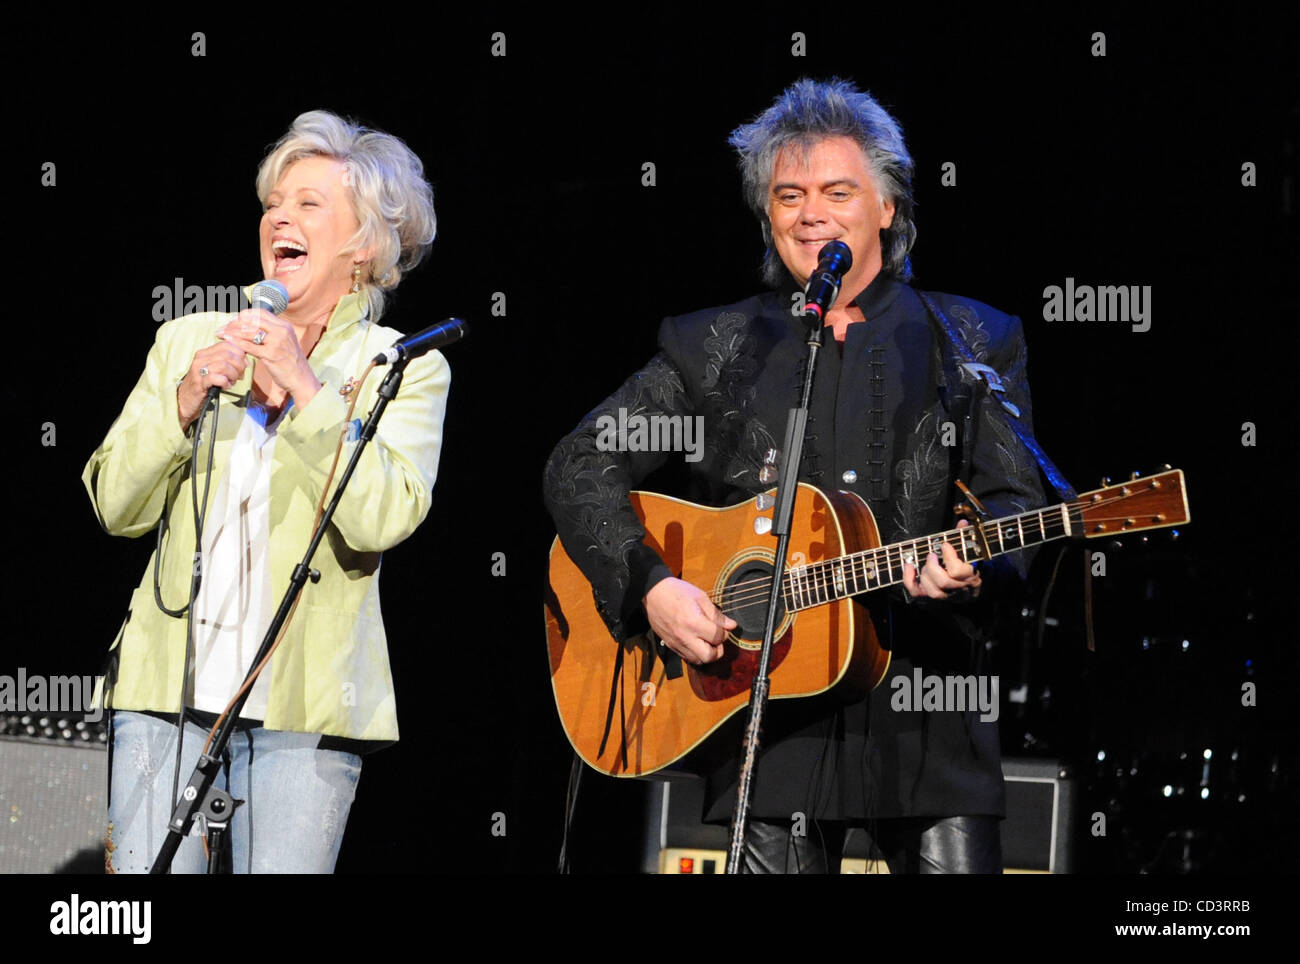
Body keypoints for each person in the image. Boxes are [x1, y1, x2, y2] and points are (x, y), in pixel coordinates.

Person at [543, 78, 1046, 873]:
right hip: (763, 724)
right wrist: (651, 586)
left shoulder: (974, 336)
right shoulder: (717, 344)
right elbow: (579, 463)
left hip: (925, 715)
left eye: (838, 191)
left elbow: (1018, 497)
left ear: (888, 208)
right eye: (789, 195)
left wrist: (977, 568)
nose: (811, 213)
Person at [83, 110, 449, 873]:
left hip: (302, 712)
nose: (280, 215)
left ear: (365, 246)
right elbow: (115, 507)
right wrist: (182, 401)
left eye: (309, 203)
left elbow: (385, 514)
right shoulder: (188, 341)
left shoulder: (401, 366)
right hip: (164, 696)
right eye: (273, 204)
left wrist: (309, 393)